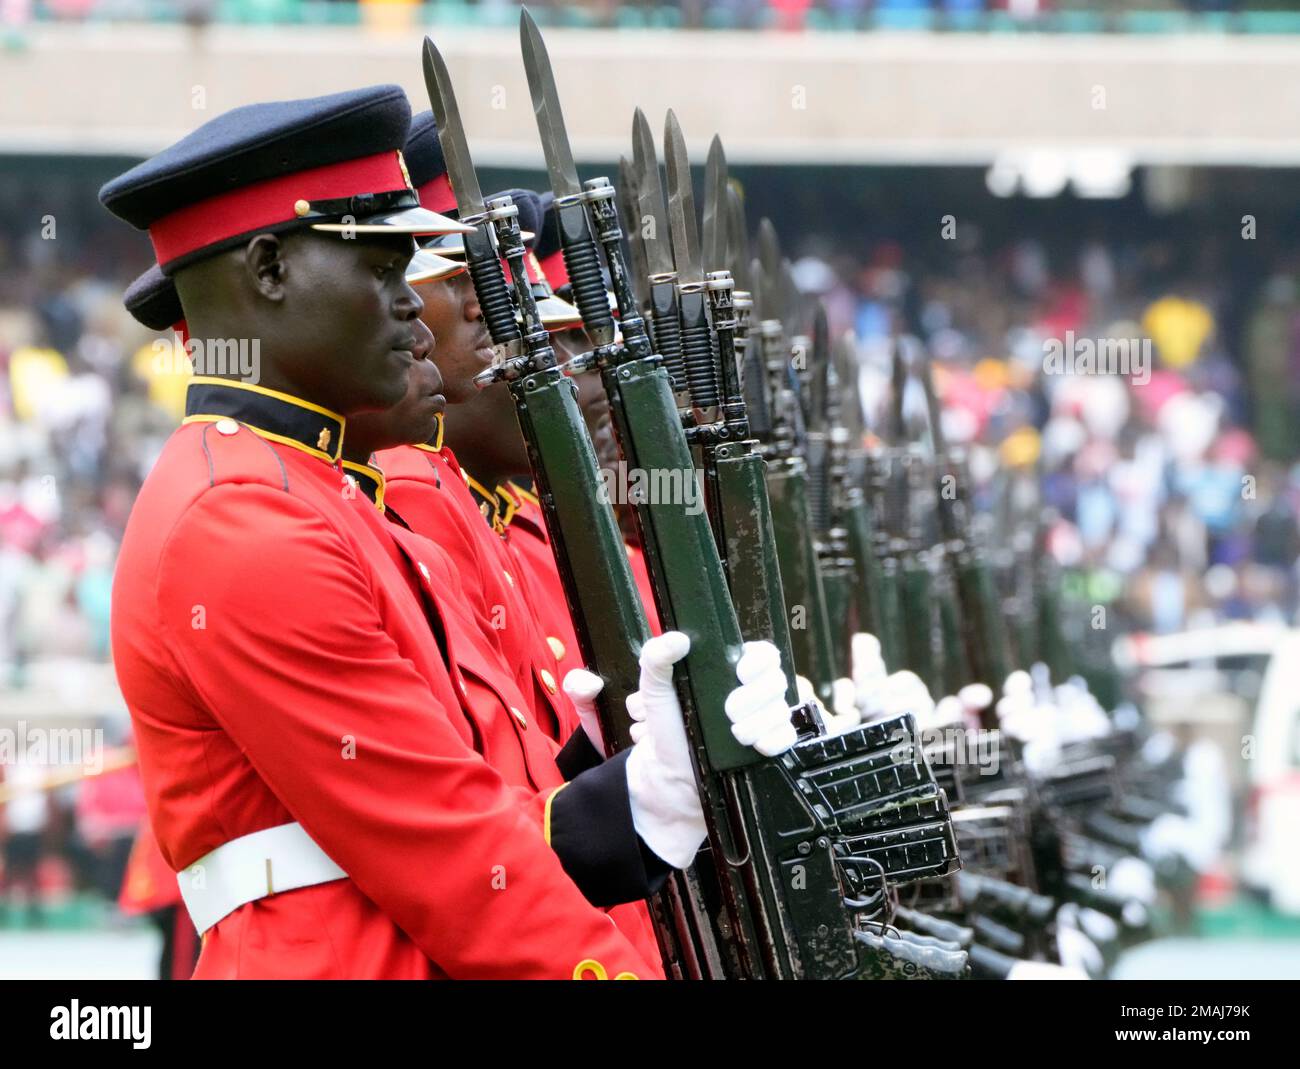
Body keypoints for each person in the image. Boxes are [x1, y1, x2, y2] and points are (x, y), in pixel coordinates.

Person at [102, 85, 794, 979]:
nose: (410, 307)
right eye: (385, 268)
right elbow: (452, 851)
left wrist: (631, 783)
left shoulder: (330, 494)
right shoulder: (240, 520)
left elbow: (487, 798)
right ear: (269, 270)